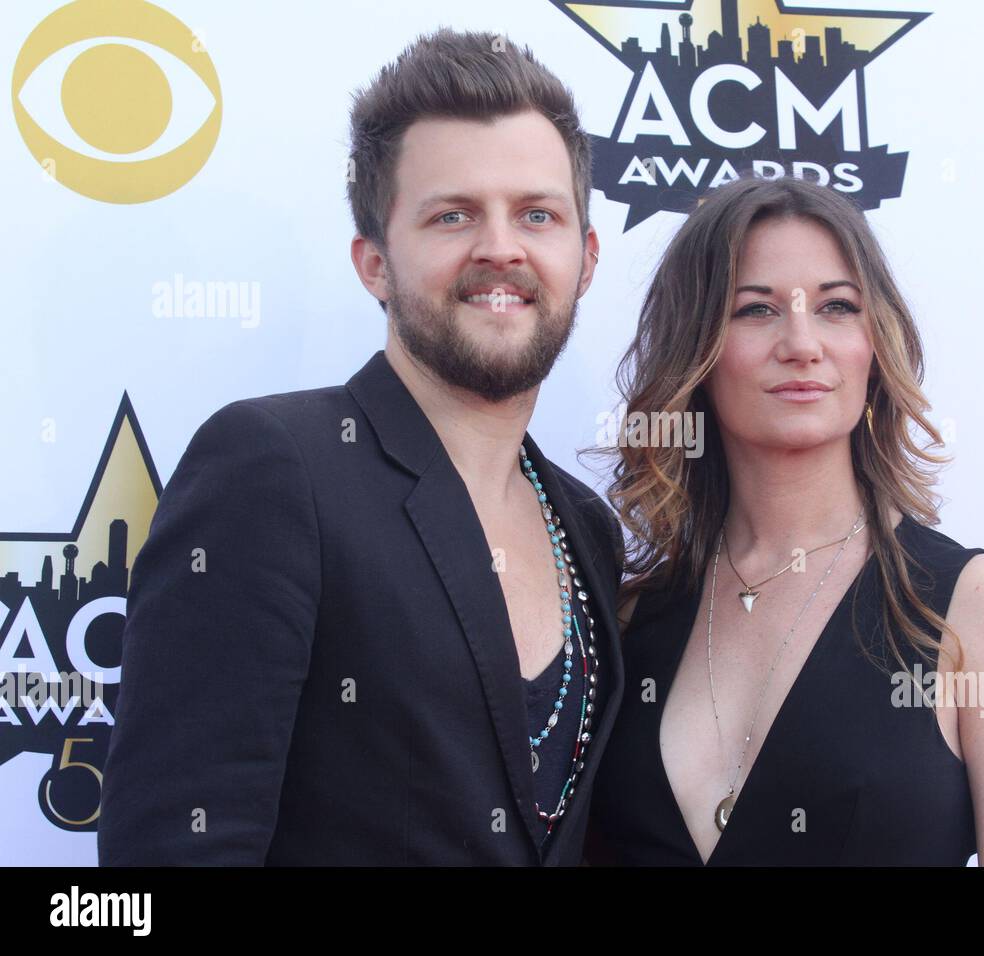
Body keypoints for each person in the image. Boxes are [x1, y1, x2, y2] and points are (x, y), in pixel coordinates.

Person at [98, 29, 624, 866]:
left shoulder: (588, 529)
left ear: (585, 258)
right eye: (453, 215)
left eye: (538, 214)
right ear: (374, 263)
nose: (501, 247)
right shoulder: (275, 469)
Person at [584, 174, 984, 866]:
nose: (802, 343)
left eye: (837, 307)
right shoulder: (633, 620)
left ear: (874, 348)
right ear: (695, 350)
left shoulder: (978, 609)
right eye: (755, 310)